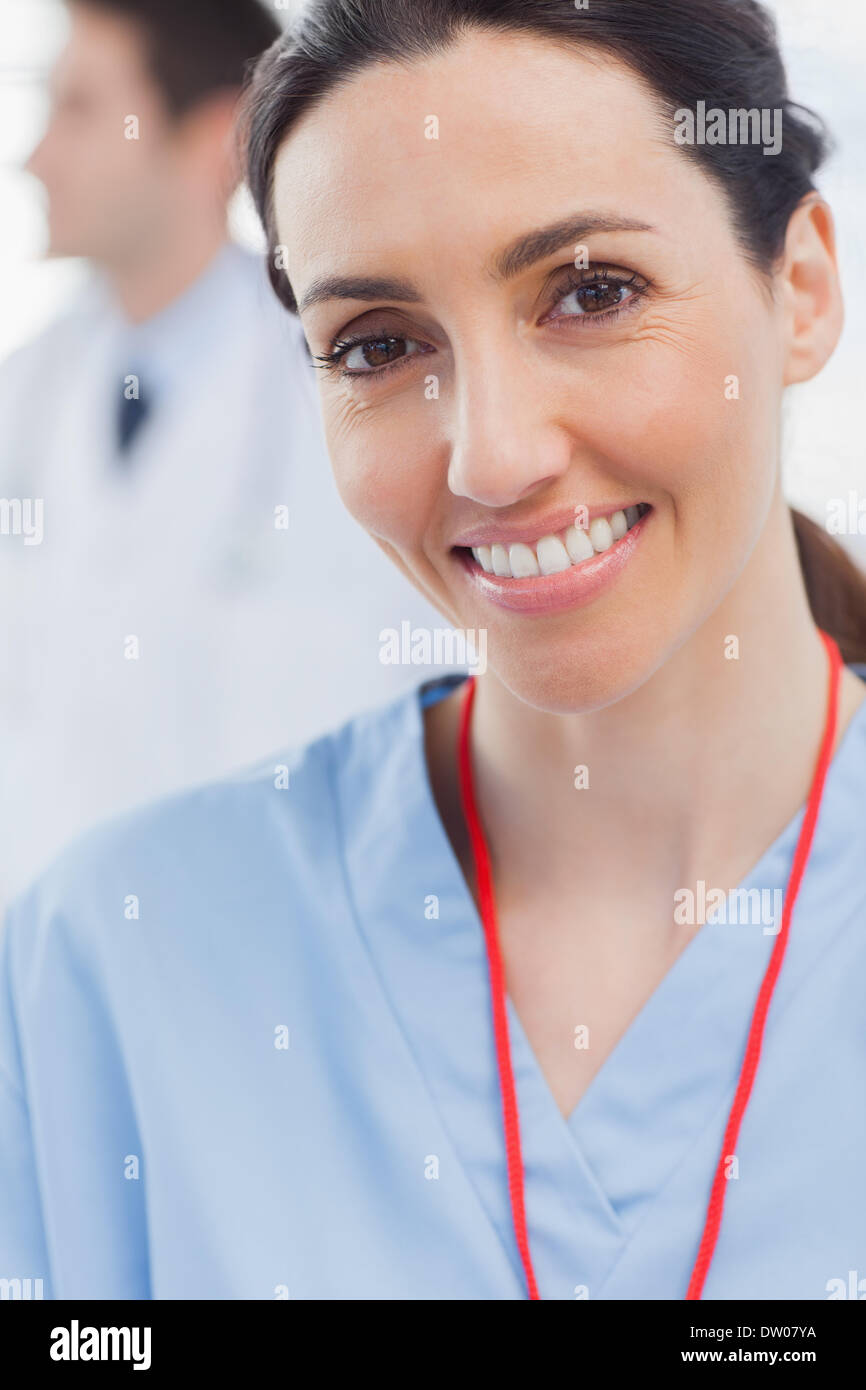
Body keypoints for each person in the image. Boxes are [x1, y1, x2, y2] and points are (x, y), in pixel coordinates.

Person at [2, 0, 866, 1301]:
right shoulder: (118, 963)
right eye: (379, 345)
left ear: (797, 288)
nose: (491, 453)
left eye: (591, 290)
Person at [0, 0, 448, 907]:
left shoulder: (368, 392)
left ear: (215, 139)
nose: (33, 157)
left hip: (268, 964)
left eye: (79, 111)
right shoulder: (23, 395)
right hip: (38, 970)